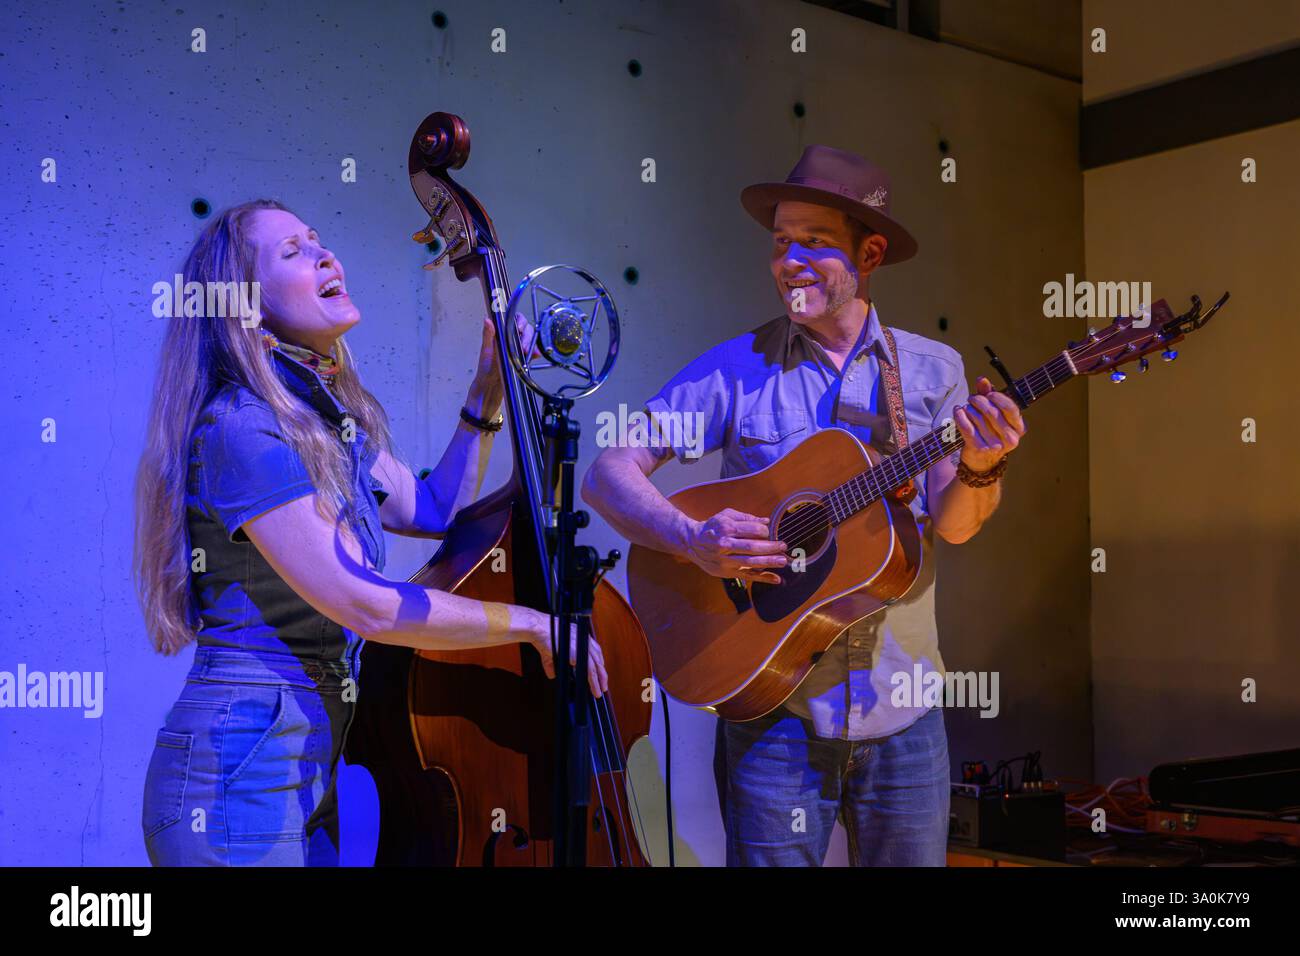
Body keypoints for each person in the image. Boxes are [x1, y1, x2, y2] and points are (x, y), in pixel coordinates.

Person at [581, 146, 1026, 866]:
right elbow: (608, 472)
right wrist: (690, 537)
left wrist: (982, 467)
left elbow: (955, 526)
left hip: (903, 708)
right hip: (774, 710)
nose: (790, 262)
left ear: (870, 254)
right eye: (781, 242)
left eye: (814, 243)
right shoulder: (736, 369)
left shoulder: (930, 371)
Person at [134, 198, 606, 866]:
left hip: (303, 766)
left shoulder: (322, 421)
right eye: (293, 252)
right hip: (236, 777)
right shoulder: (245, 429)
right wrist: (531, 624)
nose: (326, 255)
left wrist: (488, 391)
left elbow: (435, 510)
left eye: (317, 239)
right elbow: (368, 606)